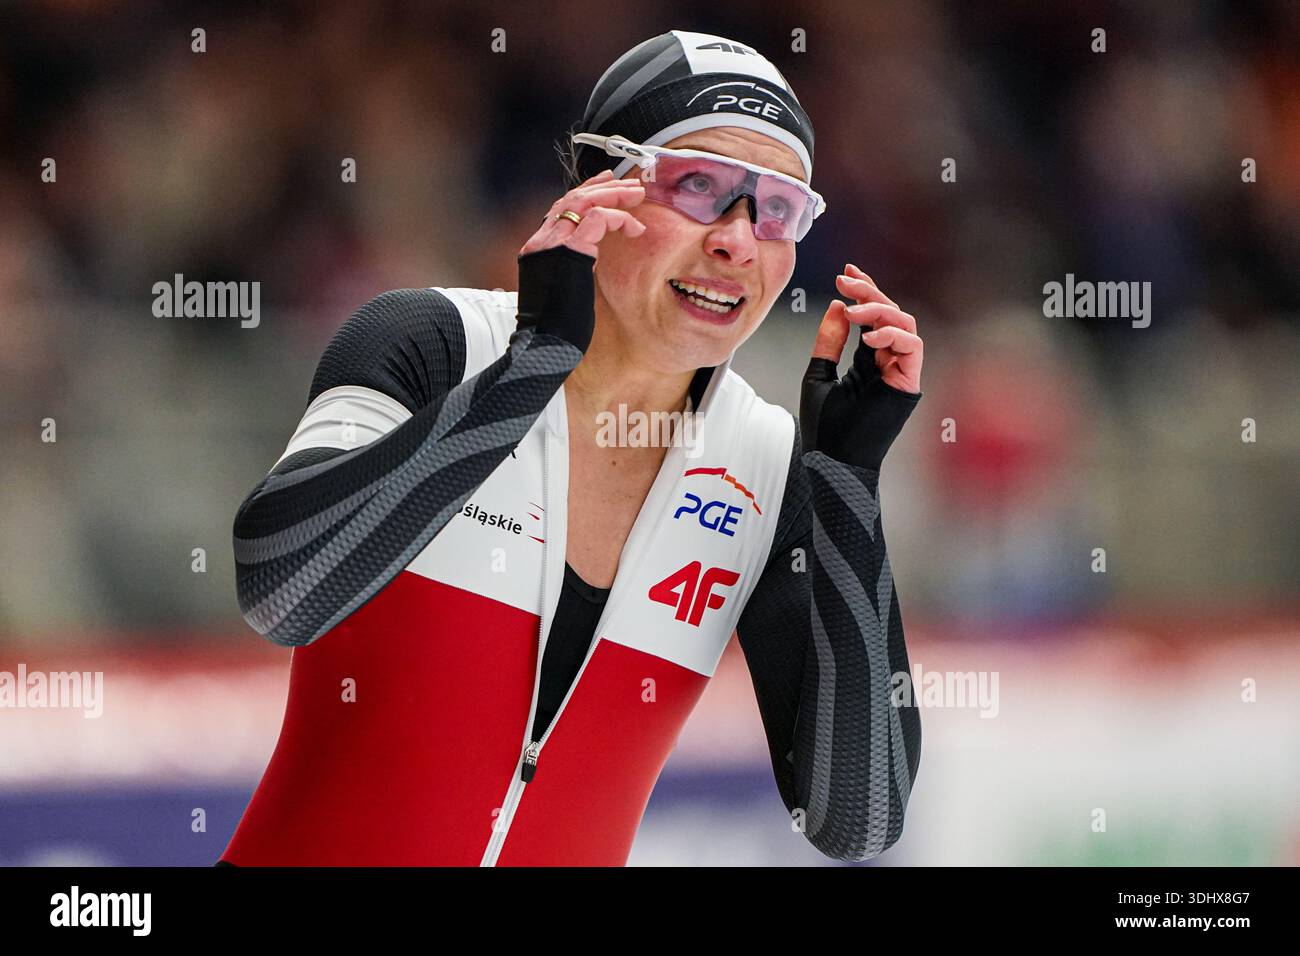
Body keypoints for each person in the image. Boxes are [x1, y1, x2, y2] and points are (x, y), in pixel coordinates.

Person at [218, 29, 924, 867]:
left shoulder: (766, 465)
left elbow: (859, 822)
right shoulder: (436, 343)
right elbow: (279, 591)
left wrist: (846, 483)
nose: (739, 240)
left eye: (777, 208)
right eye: (700, 186)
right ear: (602, 189)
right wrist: (531, 367)